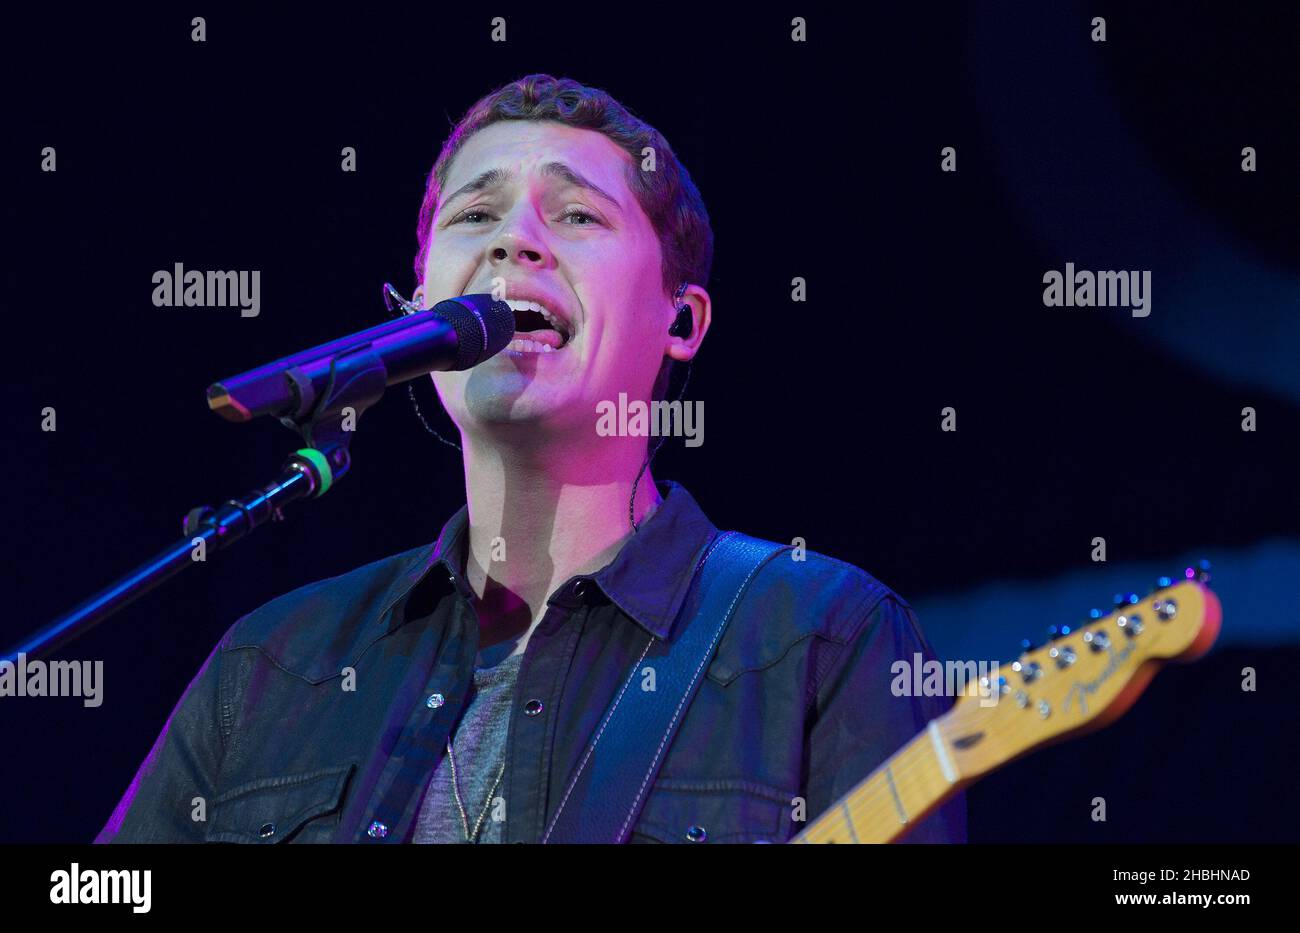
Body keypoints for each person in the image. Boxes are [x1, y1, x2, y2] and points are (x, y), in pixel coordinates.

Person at [95, 74, 965, 844]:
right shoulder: (273, 664)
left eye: (577, 213)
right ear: (415, 307)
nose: (515, 241)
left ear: (683, 318)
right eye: (476, 215)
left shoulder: (819, 635)